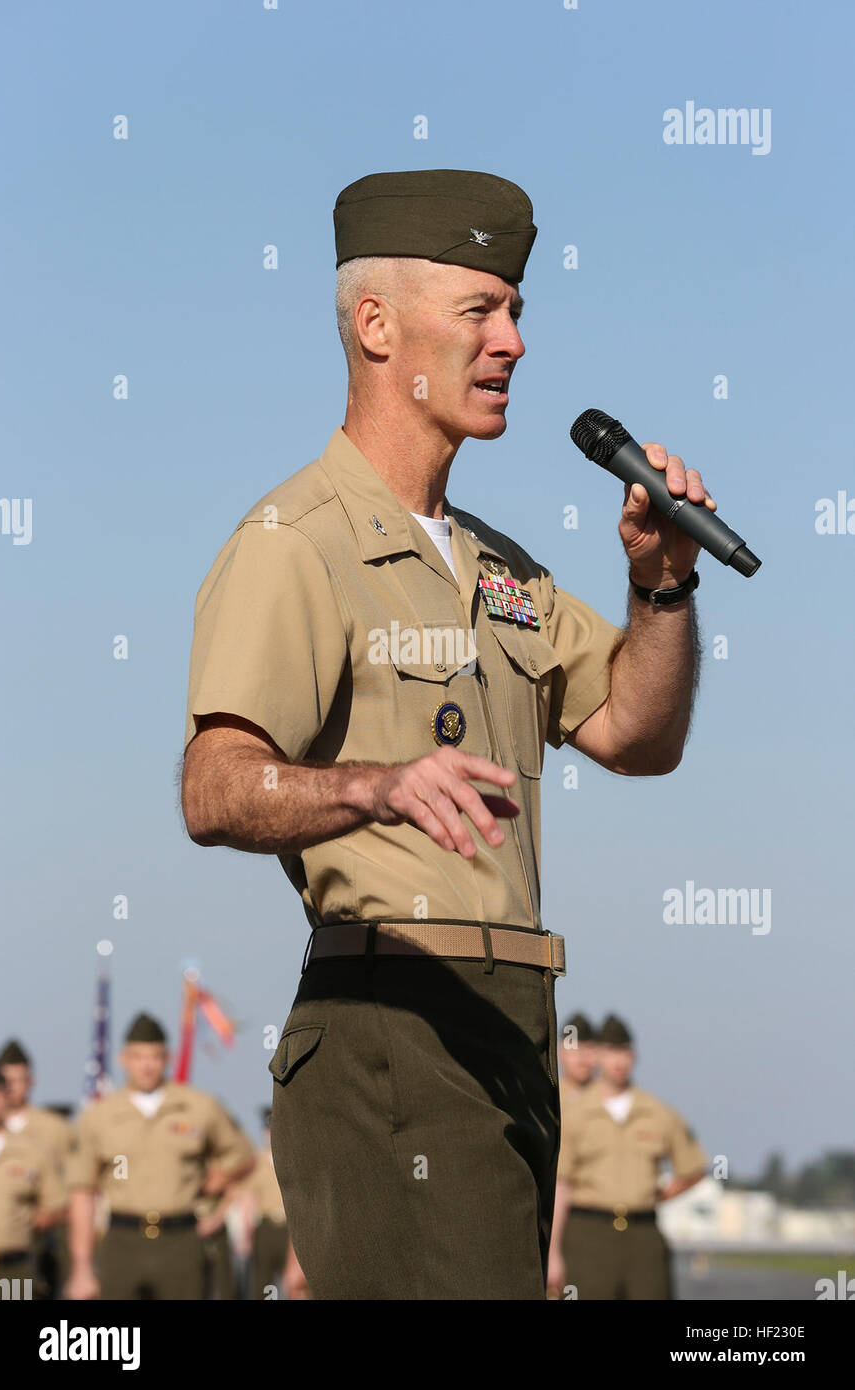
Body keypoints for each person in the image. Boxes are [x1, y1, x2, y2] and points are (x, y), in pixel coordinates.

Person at [181, 168, 712, 1299]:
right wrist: (374, 787)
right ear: (376, 326)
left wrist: (660, 594)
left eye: (514, 310)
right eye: (480, 309)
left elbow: (632, 730)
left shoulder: (494, 564)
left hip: (509, 1022)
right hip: (393, 1026)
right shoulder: (294, 539)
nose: (512, 341)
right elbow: (214, 787)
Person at [65, 1012, 254, 1300]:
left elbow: (241, 1156)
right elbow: (82, 1191)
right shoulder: (99, 1117)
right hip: (122, 1240)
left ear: (167, 1058)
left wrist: (216, 1182)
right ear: (123, 1059)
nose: (147, 1065)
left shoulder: (198, 1107)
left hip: (180, 1239)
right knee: (119, 1341)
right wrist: (81, 1267)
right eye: (138, 1056)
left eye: (154, 1056)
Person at [558, 1014, 708, 1299]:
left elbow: (693, 1167)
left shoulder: (658, 1112)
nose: (618, 1061)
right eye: (611, 1052)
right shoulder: (574, 1113)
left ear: (634, 1056)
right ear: (598, 1056)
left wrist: (659, 1195)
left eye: (624, 1052)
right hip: (587, 1231)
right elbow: (561, 1185)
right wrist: (553, 1253)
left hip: (643, 1230)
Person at [0, 1038, 72, 1298]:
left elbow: (73, 1183)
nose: (12, 1088)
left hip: (43, 1241)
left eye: (19, 1079)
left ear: (31, 1081)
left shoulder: (55, 1129)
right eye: (5, 1081)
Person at [547, 1012, 599, 1294]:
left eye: (590, 1050)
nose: (583, 1058)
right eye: (575, 1048)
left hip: (595, 1223)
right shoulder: (549, 1098)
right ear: (560, 1051)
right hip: (554, 1215)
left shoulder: (611, 1103)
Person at [239, 1107, 290, 1300]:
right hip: (266, 1227)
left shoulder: (291, 1160)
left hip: (290, 1229)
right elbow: (248, 1199)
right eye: (268, 1130)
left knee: (294, 1282)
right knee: (265, 1284)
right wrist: (246, 1233)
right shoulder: (256, 1163)